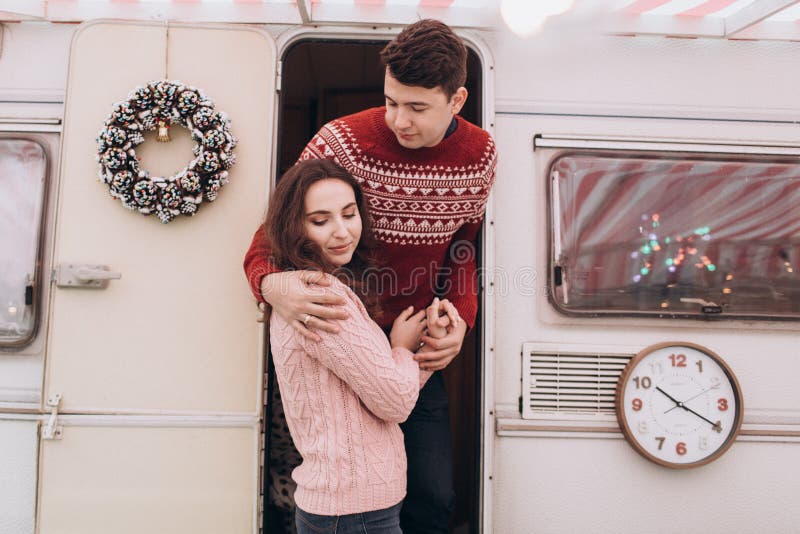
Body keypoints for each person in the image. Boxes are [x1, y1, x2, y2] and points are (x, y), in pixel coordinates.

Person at [245, 19, 497, 533]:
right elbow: (269, 237)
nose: (398, 119)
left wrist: (462, 321)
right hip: (343, 340)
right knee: (348, 492)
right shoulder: (340, 142)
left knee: (433, 495)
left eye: (416, 107)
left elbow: (465, 248)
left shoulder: (481, 156)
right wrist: (273, 287)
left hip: (418, 352)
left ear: (458, 99)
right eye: (390, 101)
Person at [266, 158, 454, 534]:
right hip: (354, 512)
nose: (342, 231)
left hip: (348, 506)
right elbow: (396, 403)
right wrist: (399, 347)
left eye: (349, 214)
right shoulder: (321, 297)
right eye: (320, 221)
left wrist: (423, 351)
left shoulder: (306, 288)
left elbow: (375, 389)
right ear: (293, 227)